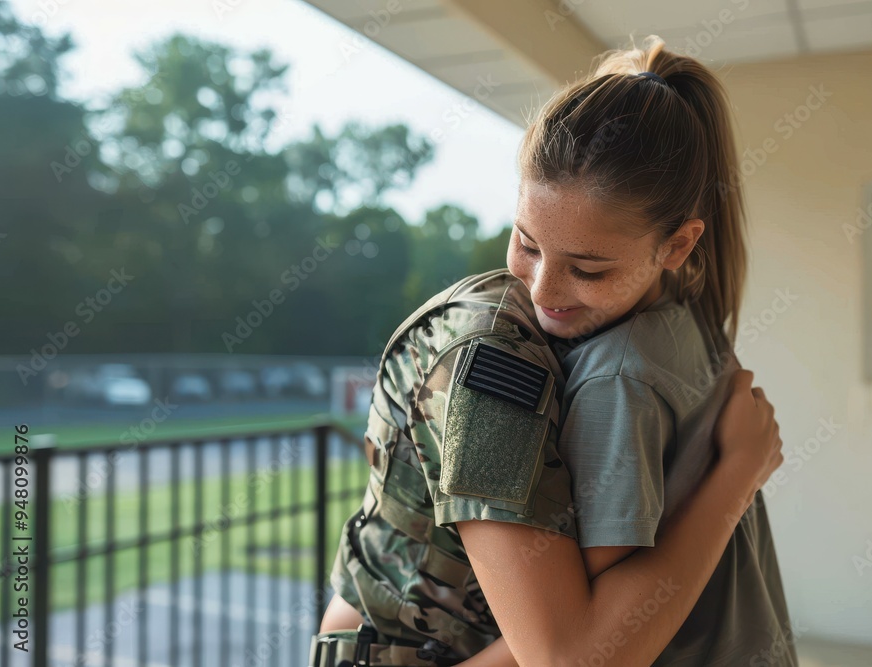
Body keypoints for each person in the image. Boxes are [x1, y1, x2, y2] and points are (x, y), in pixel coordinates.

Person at [312, 37, 789, 667]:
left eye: (588, 269)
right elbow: (575, 659)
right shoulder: (488, 367)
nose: (543, 290)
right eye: (526, 242)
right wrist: (735, 478)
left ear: (677, 247)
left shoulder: (659, 328)